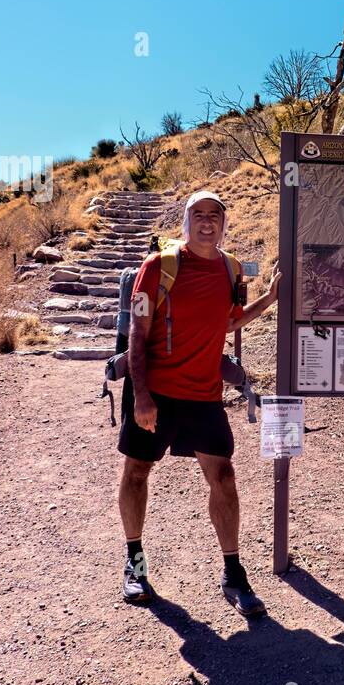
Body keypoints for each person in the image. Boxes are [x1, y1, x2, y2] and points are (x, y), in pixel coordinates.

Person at [118, 190, 280, 616]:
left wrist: (271, 298)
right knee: (137, 471)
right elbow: (138, 331)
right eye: (198, 214)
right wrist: (142, 395)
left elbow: (229, 320)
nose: (207, 222)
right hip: (155, 390)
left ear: (224, 224)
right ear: (185, 222)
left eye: (215, 215)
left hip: (204, 393)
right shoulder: (157, 267)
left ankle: (233, 573)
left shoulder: (230, 269)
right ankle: (135, 565)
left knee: (223, 476)